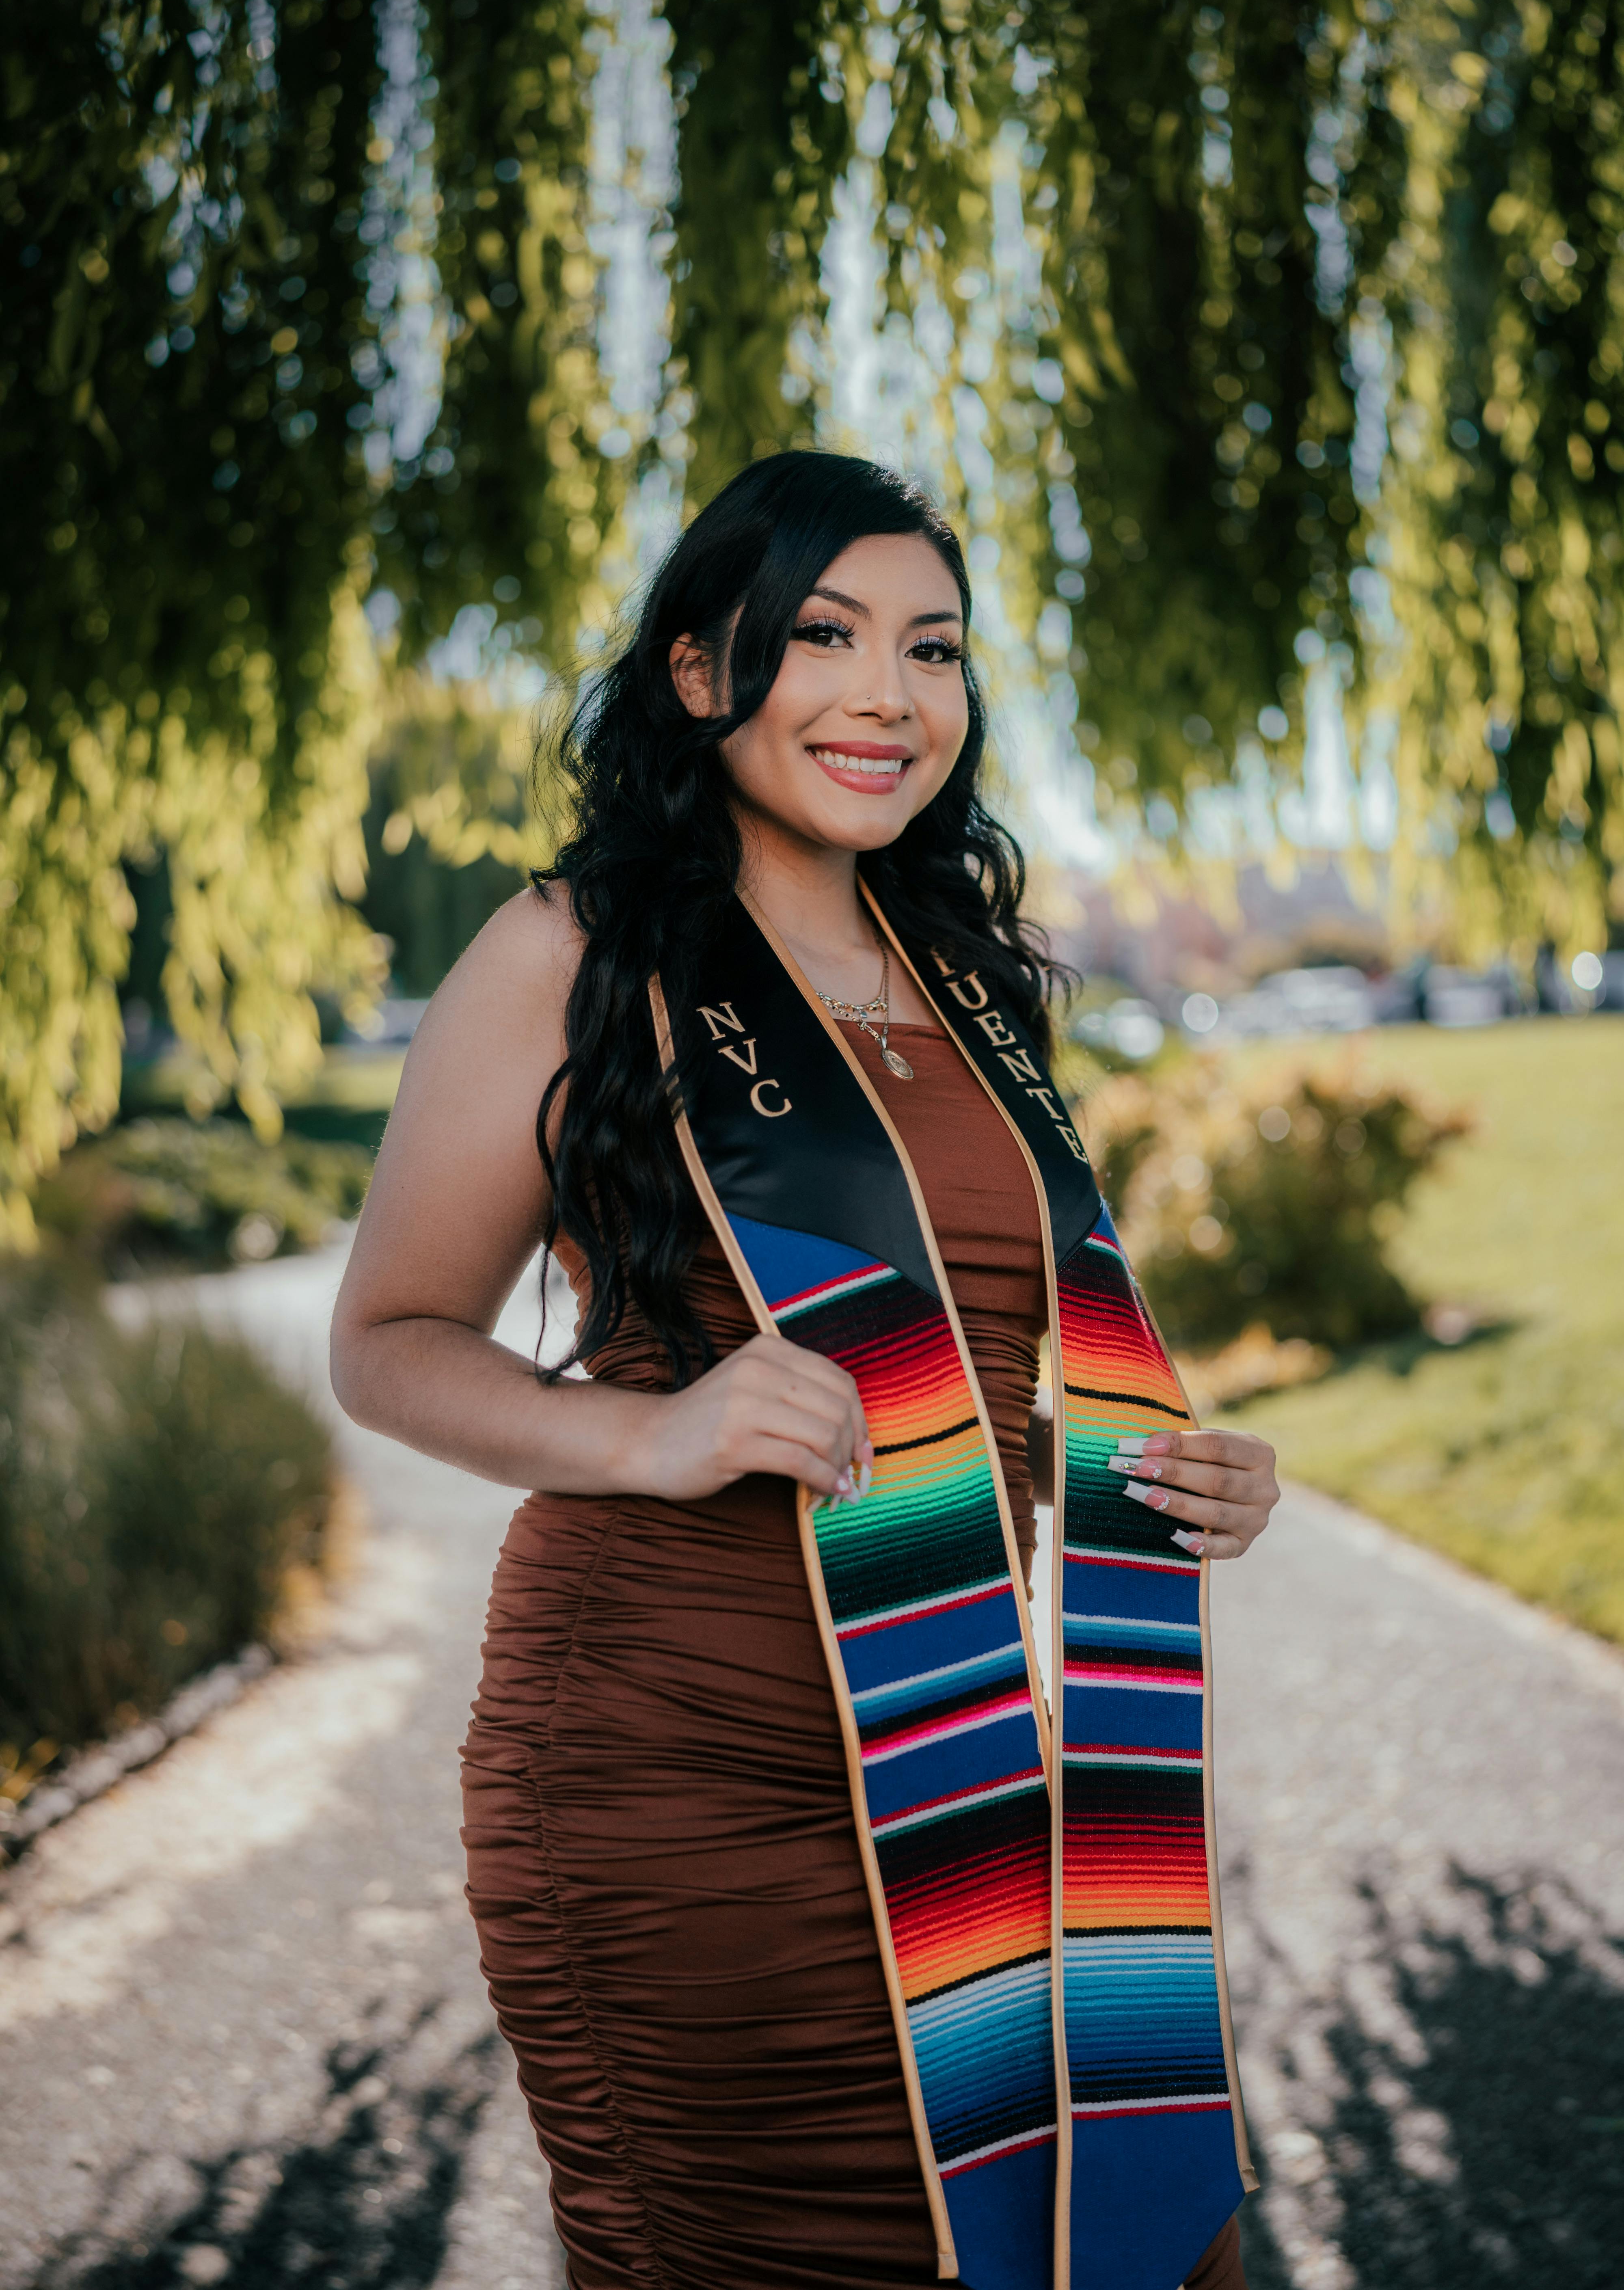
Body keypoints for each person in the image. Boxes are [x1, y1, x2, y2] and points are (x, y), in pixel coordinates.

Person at [330, 453, 1280, 2290]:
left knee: (1118, 2243)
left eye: (932, 649)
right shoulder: (575, 950)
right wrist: (649, 1430)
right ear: (699, 673)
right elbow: (386, 1344)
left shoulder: (971, 981)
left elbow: (1014, 1342)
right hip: (673, 1772)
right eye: (824, 635)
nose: (887, 693)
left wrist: (1184, 1474)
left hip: (965, 1764)